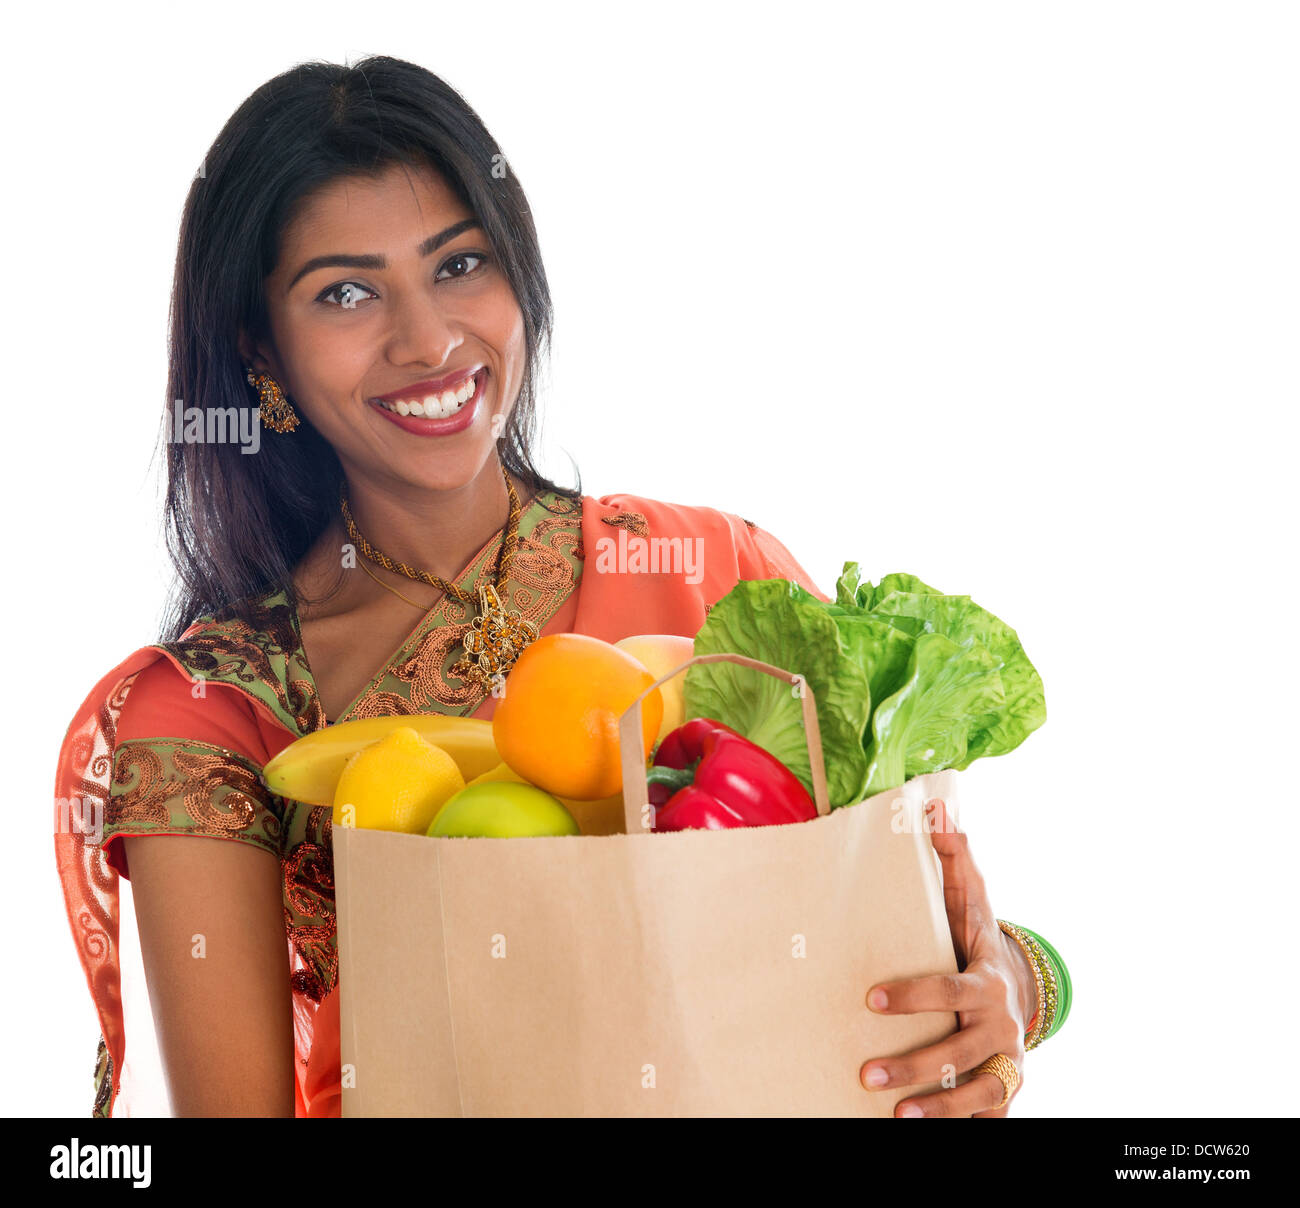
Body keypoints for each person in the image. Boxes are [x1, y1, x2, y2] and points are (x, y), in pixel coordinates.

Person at [53, 55, 1069, 1119]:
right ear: (263, 351)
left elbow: (933, 940)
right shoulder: (214, 711)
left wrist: (1012, 983)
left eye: (458, 265)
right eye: (346, 292)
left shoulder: (717, 576)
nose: (428, 337)